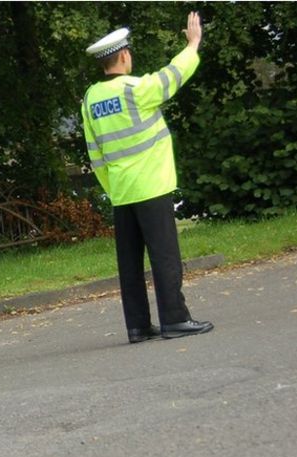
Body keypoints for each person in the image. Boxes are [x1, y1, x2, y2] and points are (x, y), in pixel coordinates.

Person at [81, 12, 214, 344]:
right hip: (151, 186)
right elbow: (173, 75)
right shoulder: (135, 89)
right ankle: (175, 319)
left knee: (129, 264)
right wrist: (193, 43)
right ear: (124, 55)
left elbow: (95, 154)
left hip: (121, 192)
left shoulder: (90, 100)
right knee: (164, 255)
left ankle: (138, 327)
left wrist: (113, 189)